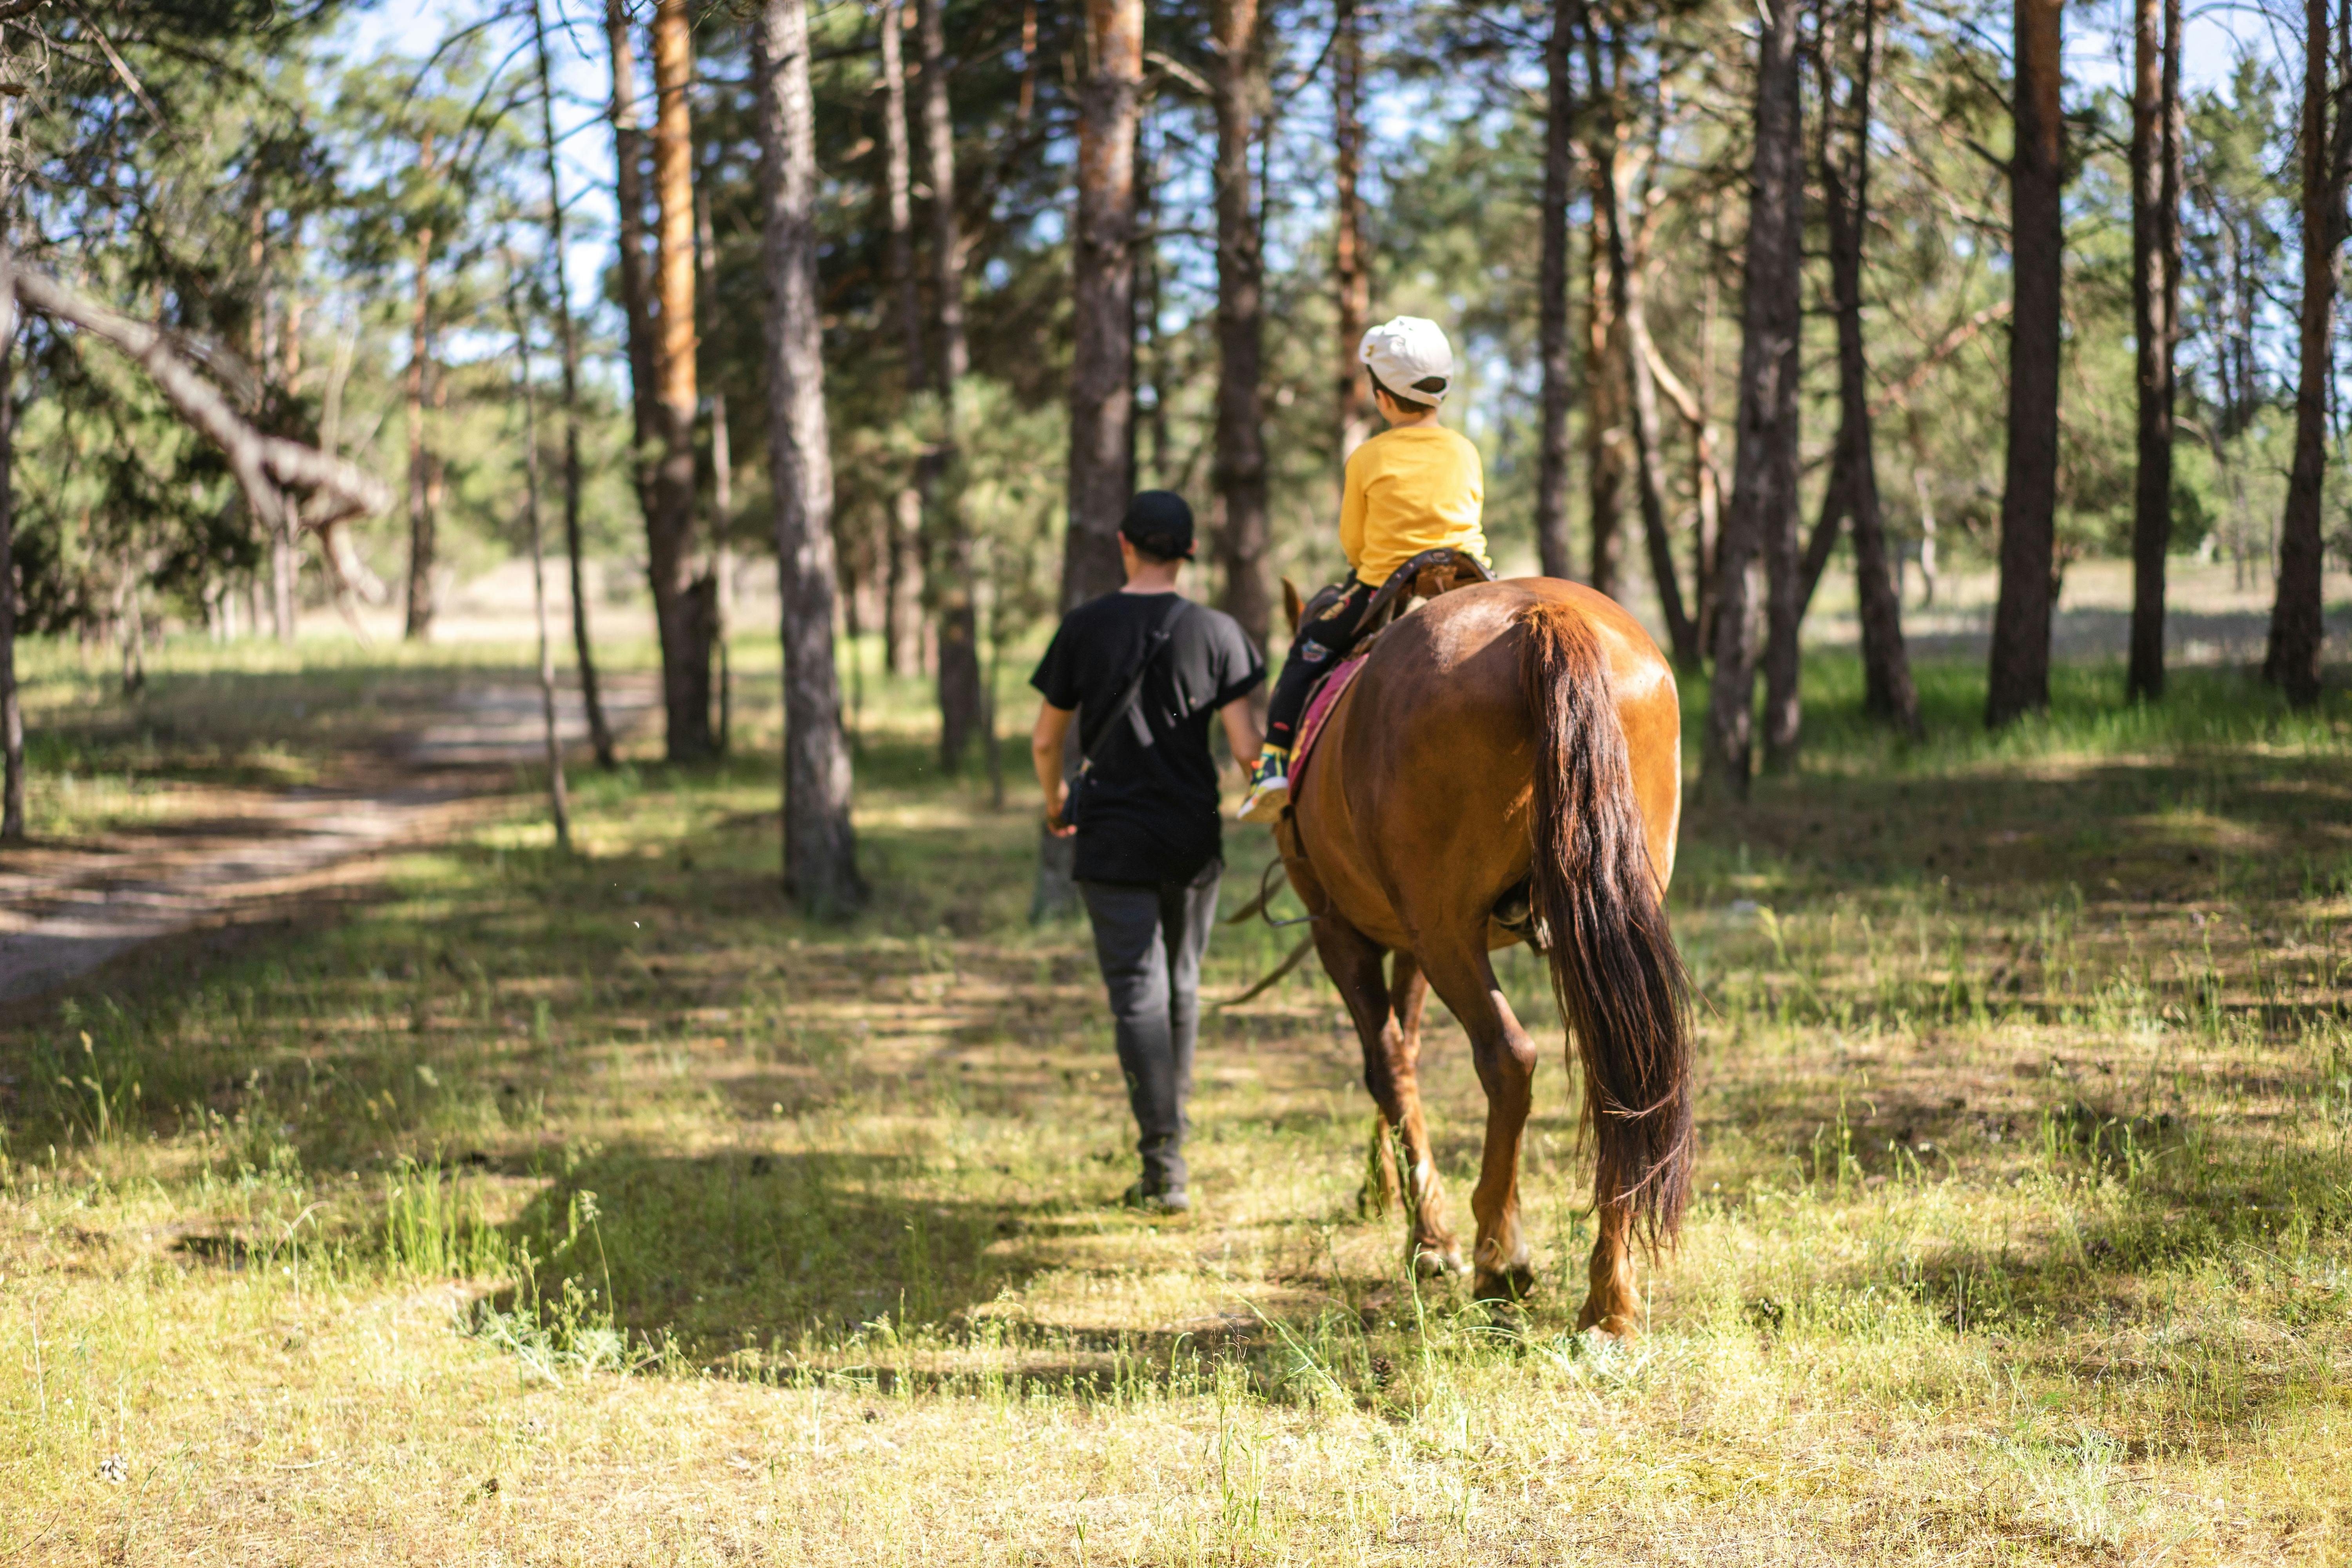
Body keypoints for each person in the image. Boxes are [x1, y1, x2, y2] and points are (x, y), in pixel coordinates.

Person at [1031, 491, 1265, 1213]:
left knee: (1137, 989)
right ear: (1187, 553)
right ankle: (1172, 1139)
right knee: (1182, 985)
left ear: (1126, 546)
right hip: (1190, 835)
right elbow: (1246, 750)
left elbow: (1046, 738)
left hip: (1109, 834)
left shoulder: (1084, 627)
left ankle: (1163, 1161)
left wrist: (1054, 801)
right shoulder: (1219, 633)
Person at [1237, 316, 1489, 823]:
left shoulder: (1368, 457)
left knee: (1306, 655)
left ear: (1383, 397)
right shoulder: (1466, 449)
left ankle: (1273, 768)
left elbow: (1354, 542)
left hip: (1384, 582)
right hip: (1469, 575)